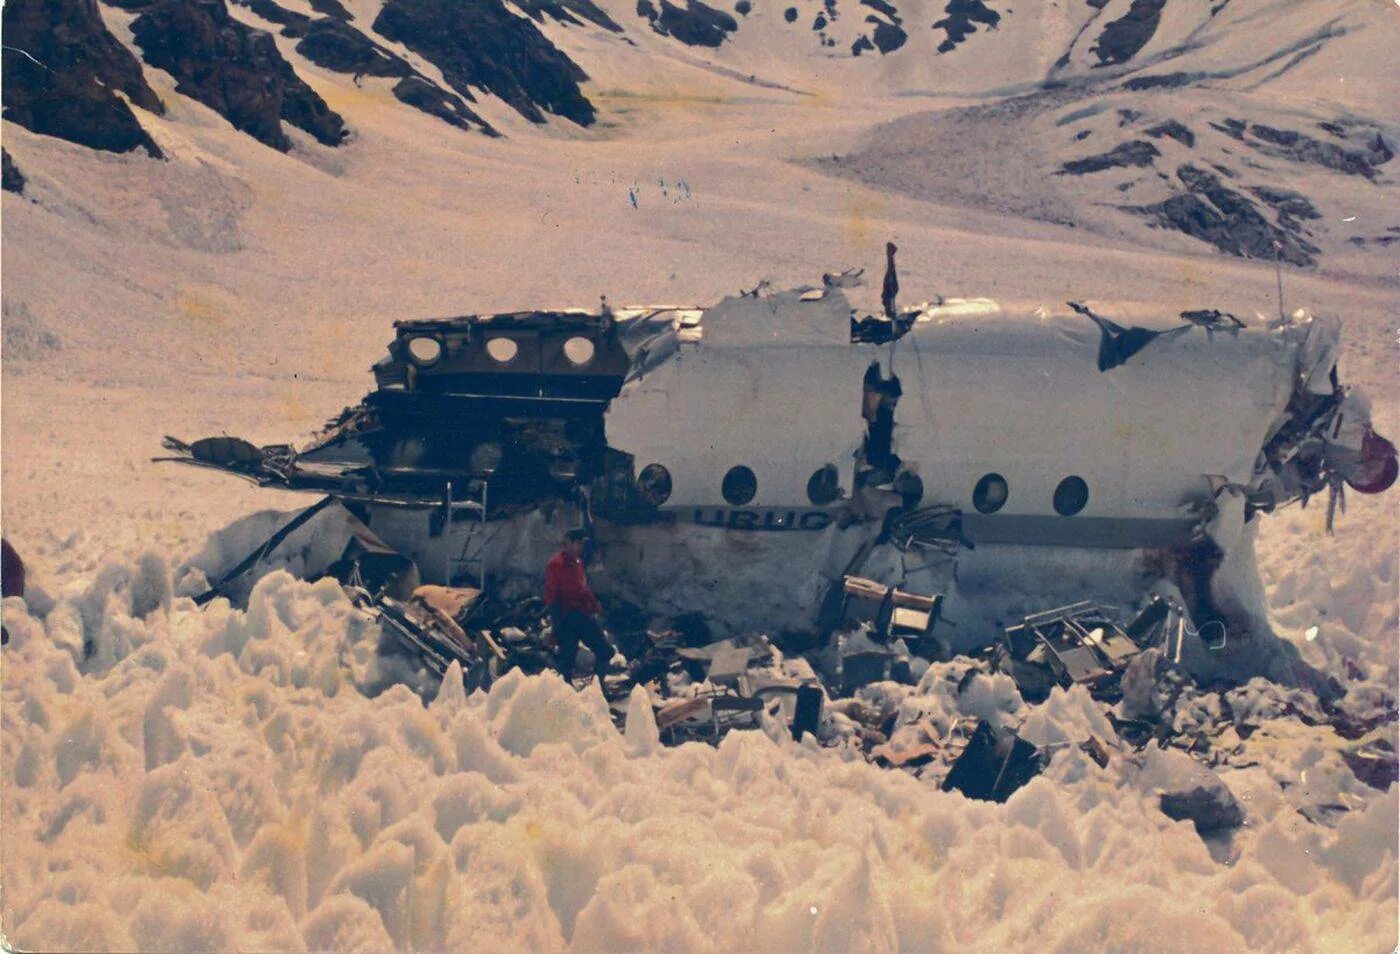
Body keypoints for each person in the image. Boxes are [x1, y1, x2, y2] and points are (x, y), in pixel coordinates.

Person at [544, 528, 620, 681]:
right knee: (566, 661)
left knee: (605, 651)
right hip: (568, 618)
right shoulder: (556, 564)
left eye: (583, 544)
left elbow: (583, 588)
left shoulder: (577, 562)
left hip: (582, 615)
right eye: (579, 543)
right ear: (569, 543)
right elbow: (551, 596)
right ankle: (567, 695)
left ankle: (598, 688)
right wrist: (557, 625)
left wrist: (596, 606)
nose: (581, 547)